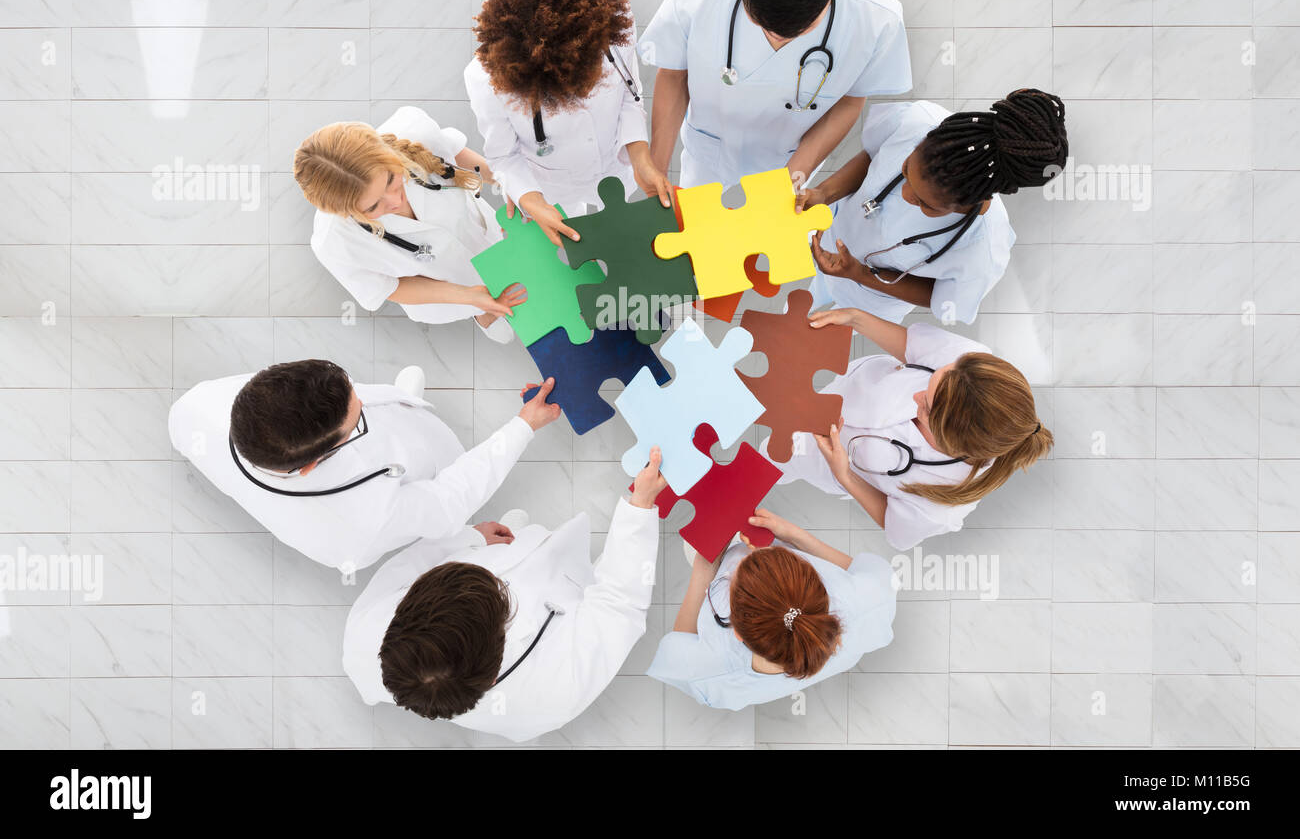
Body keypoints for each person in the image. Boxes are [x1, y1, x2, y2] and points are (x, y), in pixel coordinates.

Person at [342, 449, 670, 742]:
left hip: (495, 550)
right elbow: (618, 603)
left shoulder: (363, 635)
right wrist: (640, 508)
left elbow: (412, 563)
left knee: (518, 540)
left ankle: (518, 537)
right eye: (503, 601)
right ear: (497, 658)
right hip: (567, 584)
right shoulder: (554, 697)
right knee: (596, 574)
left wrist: (469, 539)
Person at [168, 360, 561, 571]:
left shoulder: (200, 404)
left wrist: (377, 405)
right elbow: (447, 500)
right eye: (357, 420)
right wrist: (523, 426)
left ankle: (402, 404)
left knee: (395, 416)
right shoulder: (360, 522)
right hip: (396, 501)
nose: (362, 404)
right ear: (310, 467)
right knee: (439, 474)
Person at [638, 0, 911, 190]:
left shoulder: (879, 18)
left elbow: (850, 100)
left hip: (792, 162)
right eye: (759, 21)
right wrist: (656, 167)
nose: (776, 38)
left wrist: (789, 181)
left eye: (799, 30)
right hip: (708, 154)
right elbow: (673, 74)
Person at [773, 309, 1052, 550]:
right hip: (856, 386)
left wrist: (844, 475)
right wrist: (855, 318)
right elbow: (912, 346)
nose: (917, 396)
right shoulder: (974, 368)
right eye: (936, 375)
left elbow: (895, 529)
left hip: (817, 457)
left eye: (927, 407)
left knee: (772, 461)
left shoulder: (943, 505)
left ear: (952, 442)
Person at [804, 89, 1068, 325]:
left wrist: (859, 274)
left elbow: (940, 298)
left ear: (969, 202)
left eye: (925, 204)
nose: (906, 195)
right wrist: (823, 193)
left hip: (868, 298)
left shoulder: (983, 248)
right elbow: (875, 154)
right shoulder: (916, 122)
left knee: (808, 332)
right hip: (830, 230)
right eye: (905, 170)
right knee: (796, 299)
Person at [464, 0, 670, 247]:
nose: (586, 96)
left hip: (613, 169)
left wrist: (641, 159)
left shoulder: (612, 23)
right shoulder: (487, 79)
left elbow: (628, 94)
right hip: (552, 188)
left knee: (618, 247)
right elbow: (504, 157)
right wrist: (531, 200)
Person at [296, 105, 523, 343]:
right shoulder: (335, 241)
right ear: (345, 213)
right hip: (446, 284)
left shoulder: (414, 131)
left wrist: (512, 186)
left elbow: (456, 155)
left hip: (478, 231)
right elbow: (389, 287)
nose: (395, 201)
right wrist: (469, 297)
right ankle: (481, 312)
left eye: (392, 179)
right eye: (373, 207)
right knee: (503, 331)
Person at [648, 510, 896, 709]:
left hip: (711, 562)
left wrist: (704, 568)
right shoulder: (868, 603)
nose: (748, 553)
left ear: (737, 633)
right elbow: (860, 570)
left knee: (691, 548)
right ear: (817, 579)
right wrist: (794, 535)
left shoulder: (708, 674)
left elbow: (680, 639)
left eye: (730, 581)